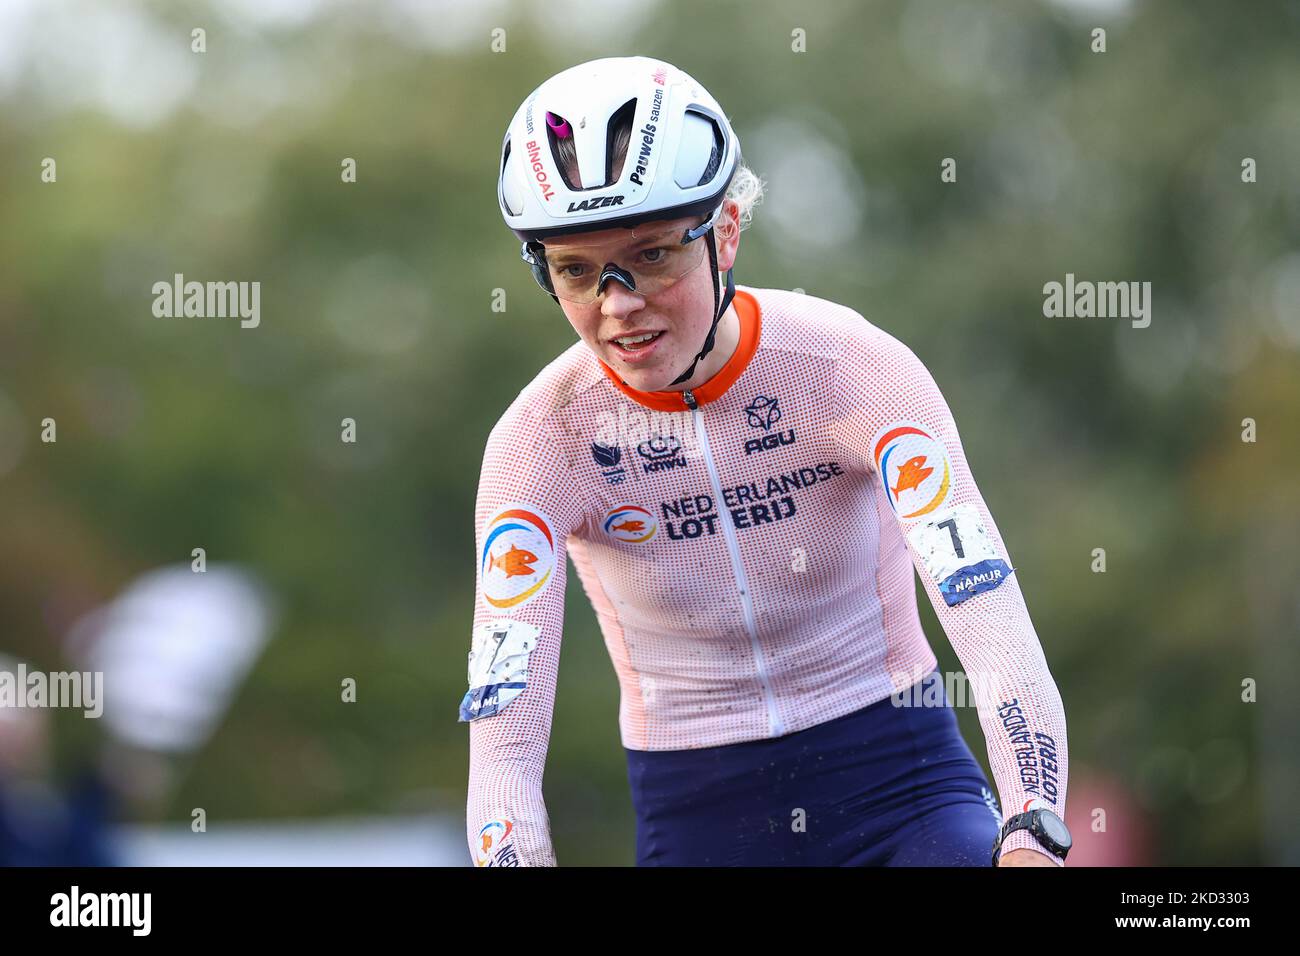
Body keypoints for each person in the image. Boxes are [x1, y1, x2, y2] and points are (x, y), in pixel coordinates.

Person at [462, 55, 1070, 867]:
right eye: (576, 270)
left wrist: (1033, 823)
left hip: (902, 787)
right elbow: (502, 747)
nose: (618, 305)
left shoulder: (848, 368)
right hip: (701, 820)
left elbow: (988, 617)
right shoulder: (542, 441)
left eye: (650, 256)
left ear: (727, 232)